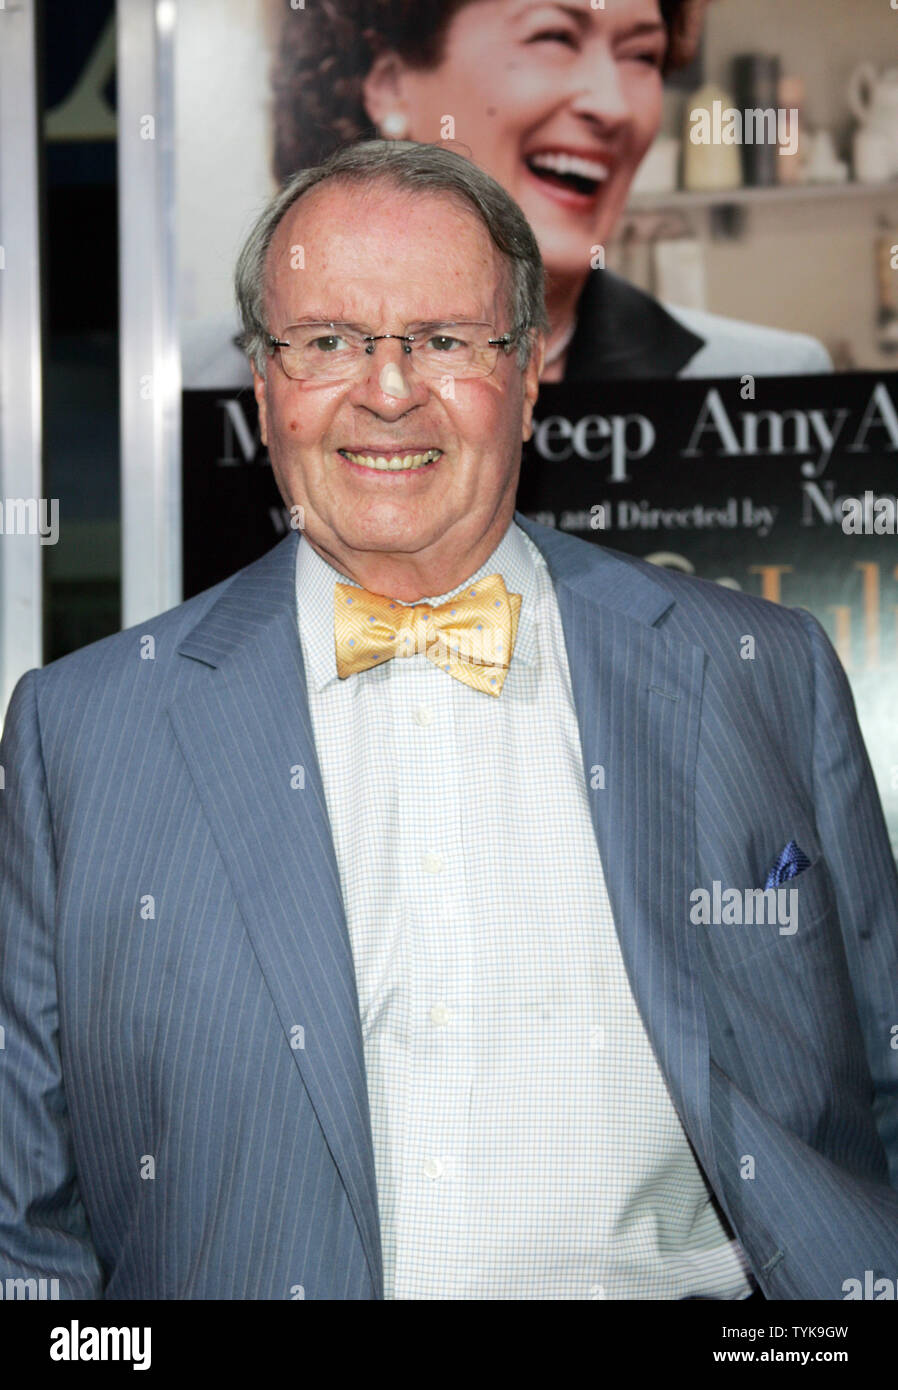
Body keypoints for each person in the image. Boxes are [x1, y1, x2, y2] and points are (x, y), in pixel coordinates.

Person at [1, 140, 895, 1301]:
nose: (387, 389)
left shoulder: (761, 676)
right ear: (263, 385)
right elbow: (29, 1208)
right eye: (327, 341)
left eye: (444, 340)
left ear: (528, 374)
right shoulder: (83, 733)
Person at [183, 0, 832, 387]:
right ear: (390, 84)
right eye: (553, 37)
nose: (611, 105)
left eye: (641, 55)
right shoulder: (202, 382)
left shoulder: (768, 380)